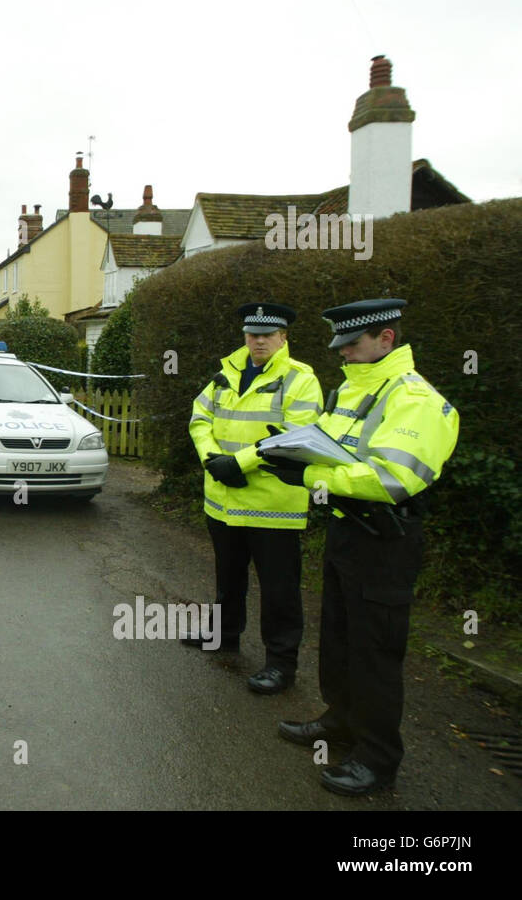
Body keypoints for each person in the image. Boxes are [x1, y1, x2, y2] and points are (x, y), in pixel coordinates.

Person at [261, 298, 459, 796]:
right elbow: (331, 442)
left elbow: (393, 478)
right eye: (340, 345)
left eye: (352, 344)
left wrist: (306, 473)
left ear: (385, 338)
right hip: (348, 530)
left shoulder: (414, 399)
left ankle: (377, 758)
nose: (343, 354)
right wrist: (286, 444)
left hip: (385, 540)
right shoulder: (353, 387)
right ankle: (340, 722)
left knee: (375, 651)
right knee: (339, 639)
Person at [187, 303, 323, 693]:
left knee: (279, 590)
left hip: (272, 506)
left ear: (283, 337)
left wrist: (239, 463)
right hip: (223, 500)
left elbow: (296, 437)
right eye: (252, 334)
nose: (258, 341)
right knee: (228, 578)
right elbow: (199, 419)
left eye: (267, 334)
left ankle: (281, 665)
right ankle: (225, 634)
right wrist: (212, 459)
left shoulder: (300, 379)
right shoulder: (225, 373)